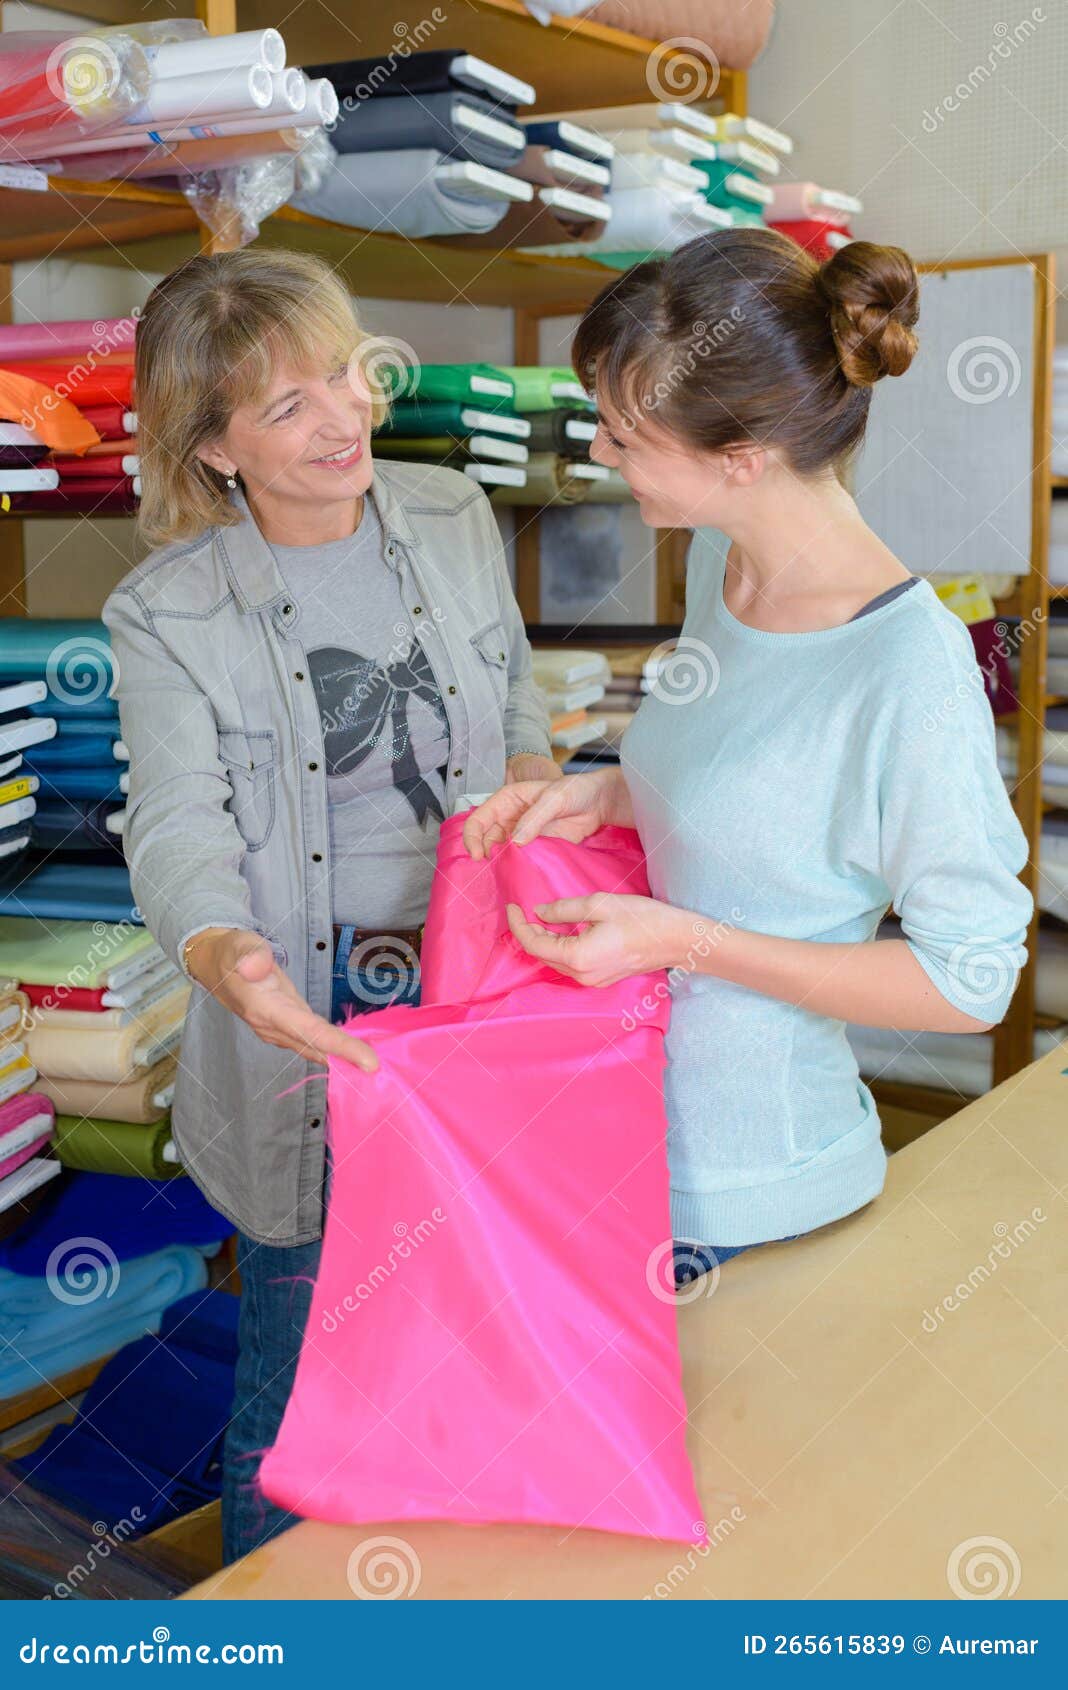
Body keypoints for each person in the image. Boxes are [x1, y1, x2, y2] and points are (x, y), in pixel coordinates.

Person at [464, 228, 1033, 1289]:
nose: (598, 453)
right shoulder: (722, 562)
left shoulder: (908, 670)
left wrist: (689, 942)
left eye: (626, 436)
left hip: (755, 1199)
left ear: (740, 457)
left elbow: (974, 980)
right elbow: (763, 791)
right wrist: (614, 793)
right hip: (620, 1145)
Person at [102, 247, 557, 1564]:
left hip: (476, 995)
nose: (343, 415)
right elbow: (178, 818)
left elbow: (514, 693)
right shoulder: (166, 613)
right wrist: (225, 955)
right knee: (297, 1387)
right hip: (312, 1018)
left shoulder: (452, 510)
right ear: (216, 448)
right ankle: (271, 1634)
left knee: (472, 1334)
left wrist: (540, 806)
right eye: (287, 403)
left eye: (344, 373)